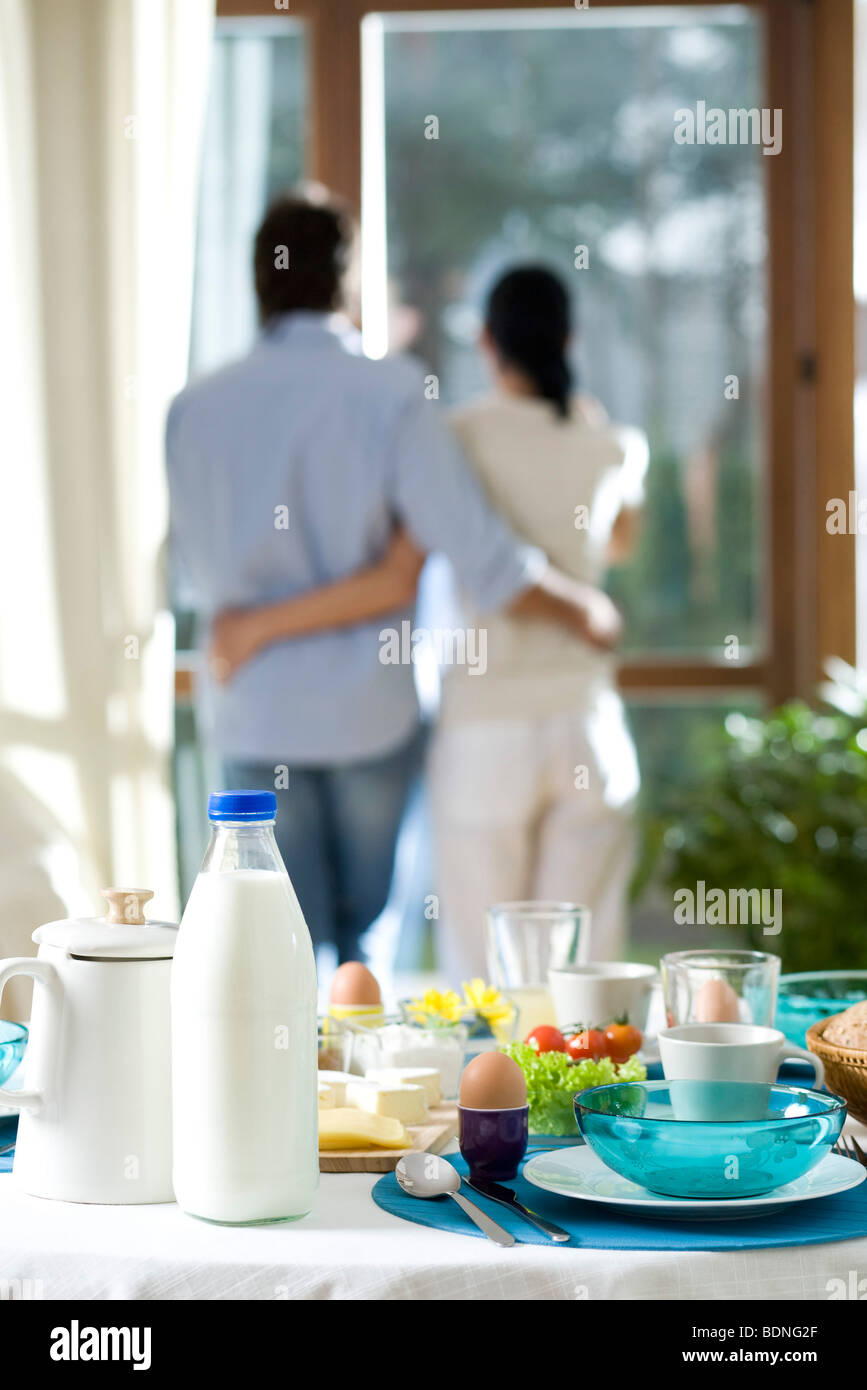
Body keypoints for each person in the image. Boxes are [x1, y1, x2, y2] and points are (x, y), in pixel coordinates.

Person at [167, 193, 621, 965]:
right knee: (365, 957)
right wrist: (588, 609)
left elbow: (199, 579)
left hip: (249, 708)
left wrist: (259, 626)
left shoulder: (193, 408)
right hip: (364, 716)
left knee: (271, 957)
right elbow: (473, 554)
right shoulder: (393, 393)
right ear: (348, 285)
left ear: (259, 282)